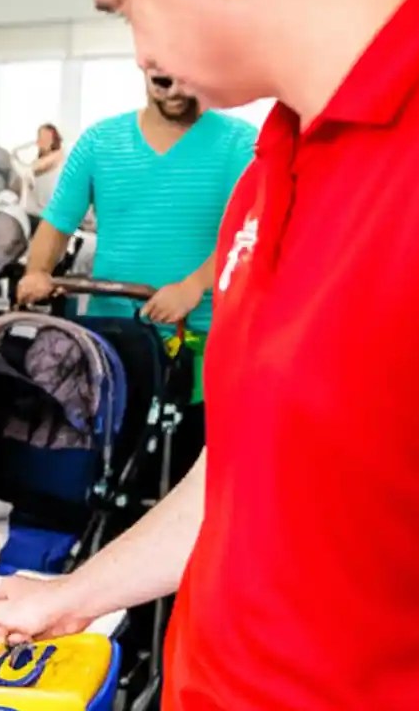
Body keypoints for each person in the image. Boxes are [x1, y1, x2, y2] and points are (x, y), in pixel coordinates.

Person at [0, 0, 419, 709]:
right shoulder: (275, 162)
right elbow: (248, 469)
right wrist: (74, 595)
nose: (141, 54)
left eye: (124, 8)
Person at [16, 69, 257, 469]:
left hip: (205, 343)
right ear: (145, 67)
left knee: (186, 473)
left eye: (189, 79)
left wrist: (194, 286)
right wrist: (37, 270)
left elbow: (253, 234)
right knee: (109, 474)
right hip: (113, 343)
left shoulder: (241, 144)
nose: (178, 91)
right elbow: (57, 223)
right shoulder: (99, 143)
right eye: (165, 81)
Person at [21, 123, 66, 232]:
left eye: (45, 137)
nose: (41, 140)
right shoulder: (35, 162)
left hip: (48, 218)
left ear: (54, 140)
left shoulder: (58, 155)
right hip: (32, 214)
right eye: (40, 137)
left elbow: (41, 165)